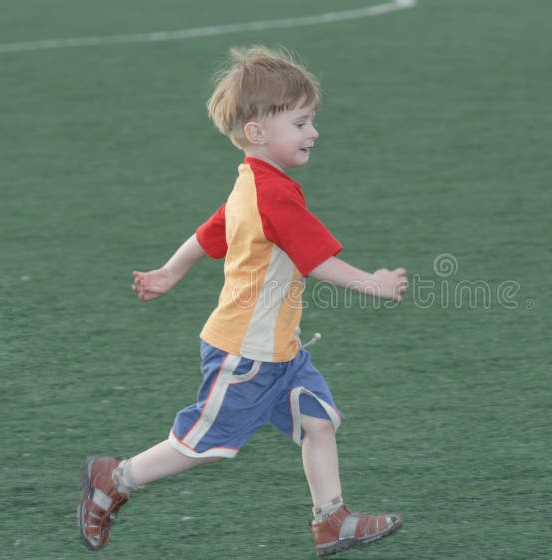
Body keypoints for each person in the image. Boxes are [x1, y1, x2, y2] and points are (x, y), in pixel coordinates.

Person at [77, 46, 408, 557]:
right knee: (205, 446)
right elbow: (315, 259)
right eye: (300, 123)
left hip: (281, 352)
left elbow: (210, 231)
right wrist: (375, 284)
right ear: (257, 132)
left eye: (311, 121)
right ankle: (113, 478)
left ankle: (332, 521)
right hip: (246, 354)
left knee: (318, 421)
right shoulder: (272, 194)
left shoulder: (250, 184)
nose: (314, 132)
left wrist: (171, 271)